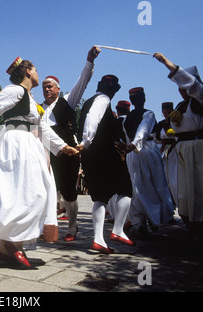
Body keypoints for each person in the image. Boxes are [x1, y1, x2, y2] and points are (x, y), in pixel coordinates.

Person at [0, 56, 78, 269]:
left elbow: (42, 127)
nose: (37, 73)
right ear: (27, 72)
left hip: (28, 143)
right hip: (16, 144)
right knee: (26, 193)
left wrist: (62, 146)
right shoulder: (15, 91)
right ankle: (14, 244)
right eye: (35, 69)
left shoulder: (30, 98)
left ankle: (5, 247)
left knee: (33, 192)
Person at [153, 53, 203, 241]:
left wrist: (167, 63)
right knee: (185, 190)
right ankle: (194, 222)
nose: (182, 90)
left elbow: (192, 85)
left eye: (184, 86)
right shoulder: (183, 106)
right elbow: (173, 129)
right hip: (185, 150)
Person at [40, 46, 100, 242]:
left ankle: (72, 227)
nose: (47, 89)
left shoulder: (68, 101)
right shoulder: (39, 109)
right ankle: (48, 229)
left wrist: (89, 61)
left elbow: (82, 81)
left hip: (67, 151)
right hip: (45, 151)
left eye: (50, 86)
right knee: (46, 191)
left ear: (58, 88)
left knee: (68, 191)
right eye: (44, 87)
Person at [76, 75, 134, 254]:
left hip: (91, 155)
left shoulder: (90, 100)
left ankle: (99, 239)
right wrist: (85, 142)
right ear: (113, 89)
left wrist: (85, 146)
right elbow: (92, 120)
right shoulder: (103, 100)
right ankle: (117, 230)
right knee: (126, 189)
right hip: (103, 154)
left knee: (100, 197)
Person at [123, 87, 175, 238]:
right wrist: (134, 145)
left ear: (132, 101)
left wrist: (130, 147)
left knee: (138, 186)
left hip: (132, 154)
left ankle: (141, 221)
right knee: (154, 184)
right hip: (146, 151)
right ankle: (153, 218)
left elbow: (128, 137)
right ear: (143, 98)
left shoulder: (126, 119)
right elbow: (143, 130)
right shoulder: (149, 114)